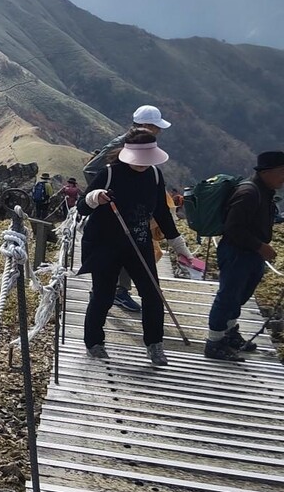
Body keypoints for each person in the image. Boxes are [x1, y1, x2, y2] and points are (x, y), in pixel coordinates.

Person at [78, 130, 194, 367]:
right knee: (103, 295)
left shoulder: (154, 175)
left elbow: (162, 212)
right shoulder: (109, 174)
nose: (142, 164)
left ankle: (154, 345)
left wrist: (179, 246)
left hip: (139, 244)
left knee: (153, 295)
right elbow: (82, 207)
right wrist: (95, 197)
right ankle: (94, 342)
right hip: (105, 245)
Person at [83, 105, 172, 314]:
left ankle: (116, 291)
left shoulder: (139, 145)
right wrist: (105, 193)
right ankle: (115, 292)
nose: (159, 131)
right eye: (156, 127)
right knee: (121, 249)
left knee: (133, 248)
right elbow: (91, 170)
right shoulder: (123, 144)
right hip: (114, 212)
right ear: (147, 126)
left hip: (136, 212)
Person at [204, 150, 284, 361]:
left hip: (250, 254)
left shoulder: (262, 191)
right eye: (282, 172)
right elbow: (233, 228)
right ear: (267, 172)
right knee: (228, 296)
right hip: (237, 253)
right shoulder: (249, 193)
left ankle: (229, 333)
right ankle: (214, 342)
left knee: (239, 296)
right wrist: (261, 247)